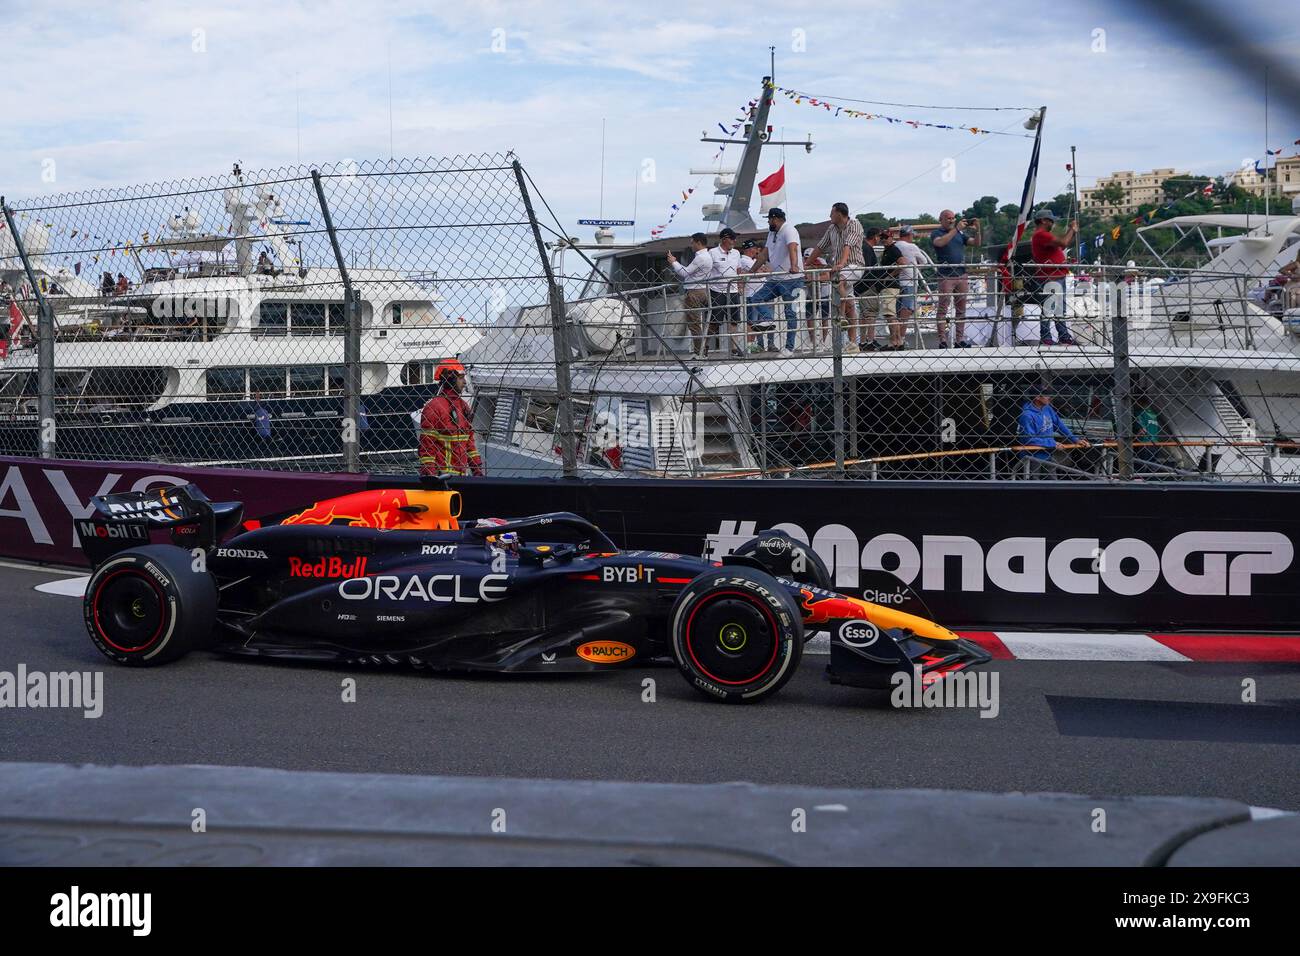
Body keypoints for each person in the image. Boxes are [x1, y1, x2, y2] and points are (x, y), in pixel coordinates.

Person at [806, 202, 867, 352]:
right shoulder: (832, 228)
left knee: (838, 280)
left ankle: (841, 315)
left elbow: (848, 244)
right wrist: (806, 264)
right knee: (851, 305)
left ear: (839, 213)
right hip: (841, 269)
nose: (829, 216)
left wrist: (841, 263)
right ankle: (853, 343)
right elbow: (820, 247)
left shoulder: (854, 225)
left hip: (854, 265)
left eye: (831, 213)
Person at [744, 207, 804, 354]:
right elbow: (764, 254)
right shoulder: (772, 233)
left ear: (775, 219)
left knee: (790, 313)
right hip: (776, 278)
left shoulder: (789, 230)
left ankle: (789, 348)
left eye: (770, 219)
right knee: (756, 298)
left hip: (792, 279)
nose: (769, 222)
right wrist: (751, 271)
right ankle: (768, 318)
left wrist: (794, 266)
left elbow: (793, 248)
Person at [418, 359, 484, 476]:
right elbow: (427, 448)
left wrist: (478, 472)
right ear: (450, 378)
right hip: (441, 479)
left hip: (459, 478)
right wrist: (432, 479)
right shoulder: (434, 407)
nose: (464, 382)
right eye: (461, 378)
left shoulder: (463, 406)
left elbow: (469, 444)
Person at [930, 209, 980, 347]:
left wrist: (978, 230)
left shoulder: (960, 234)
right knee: (943, 309)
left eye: (953, 218)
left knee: (961, 309)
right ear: (941, 220)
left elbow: (975, 243)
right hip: (946, 275)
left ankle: (959, 340)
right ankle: (943, 341)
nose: (952, 220)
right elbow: (940, 243)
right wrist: (956, 229)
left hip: (961, 274)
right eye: (948, 218)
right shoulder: (937, 233)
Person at [1029, 210, 1078, 345]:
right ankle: (1048, 337)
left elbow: (1061, 243)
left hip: (1054, 275)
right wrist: (1072, 229)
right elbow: (1064, 242)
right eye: (1051, 220)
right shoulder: (1041, 235)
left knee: (1056, 308)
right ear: (1044, 221)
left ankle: (1061, 336)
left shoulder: (1041, 236)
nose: (1053, 223)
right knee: (1050, 308)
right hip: (1050, 276)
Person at [1017, 386, 1088, 477]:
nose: (1049, 397)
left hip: (1047, 454)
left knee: (1053, 482)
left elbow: (1059, 425)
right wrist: (1052, 443)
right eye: (1046, 395)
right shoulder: (1027, 415)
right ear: (1037, 397)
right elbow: (1028, 439)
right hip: (1032, 457)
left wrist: (1075, 440)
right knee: (1034, 485)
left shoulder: (1047, 408)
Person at [666, 233, 714, 356]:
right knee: (703, 322)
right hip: (704, 290)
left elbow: (685, 273)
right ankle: (703, 347)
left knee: (694, 324)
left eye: (692, 242)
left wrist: (673, 262)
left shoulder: (701, 257)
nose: (691, 244)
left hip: (694, 292)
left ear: (698, 242)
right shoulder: (707, 256)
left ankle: (699, 352)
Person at [707, 227, 744, 356]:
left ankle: (734, 348)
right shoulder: (712, 252)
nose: (734, 241)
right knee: (714, 322)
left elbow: (738, 269)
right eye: (732, 238)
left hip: (733, 291)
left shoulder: (736, 253)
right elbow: (707, 270)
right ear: (724, 239)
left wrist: (740, 285)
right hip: (717, 291)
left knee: (734, 320)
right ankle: (705, 346)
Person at [893, 224, 930, 346]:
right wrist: (915, 268)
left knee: (896, 313)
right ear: (909, 235)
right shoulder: (912, 247)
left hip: (894, 283)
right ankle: (901, 339)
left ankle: (895, 339)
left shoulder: (894, 246)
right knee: (906, 311)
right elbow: (924, 261)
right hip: (909, 282)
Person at [852, 226, 887, 351]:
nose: (880, 240)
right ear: (875, 236)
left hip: (861, 287)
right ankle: (870, 341)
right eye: (880, 237)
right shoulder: (867, 249)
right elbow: (867, 269)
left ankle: (863, 341)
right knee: (871, 313)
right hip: (868, 286)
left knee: (864, 315)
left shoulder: (863, 247)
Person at [737, 239, 775, 352]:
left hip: (763, 294)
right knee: (752, 322)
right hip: (752, 294)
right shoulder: (744, 260)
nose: (756, 251)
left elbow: (768, 270)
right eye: (754, 248)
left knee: (766, 321)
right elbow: (758, 271)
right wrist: (761, 270)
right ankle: (751, 346)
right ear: (750, 249)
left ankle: (766, 345)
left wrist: (762, 269)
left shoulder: (755, 260)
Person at [877, 230, 906, 349]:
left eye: (885, 237)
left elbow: (903, 263)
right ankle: (898, 341)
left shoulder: (893, 249)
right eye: (881, 237)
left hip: (890, 286)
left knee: (889, 314)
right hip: (888, 286)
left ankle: (894, 341)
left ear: (891, 237)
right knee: (890, 314)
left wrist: (890, 276)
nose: (883, 239)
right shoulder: (888, 250)